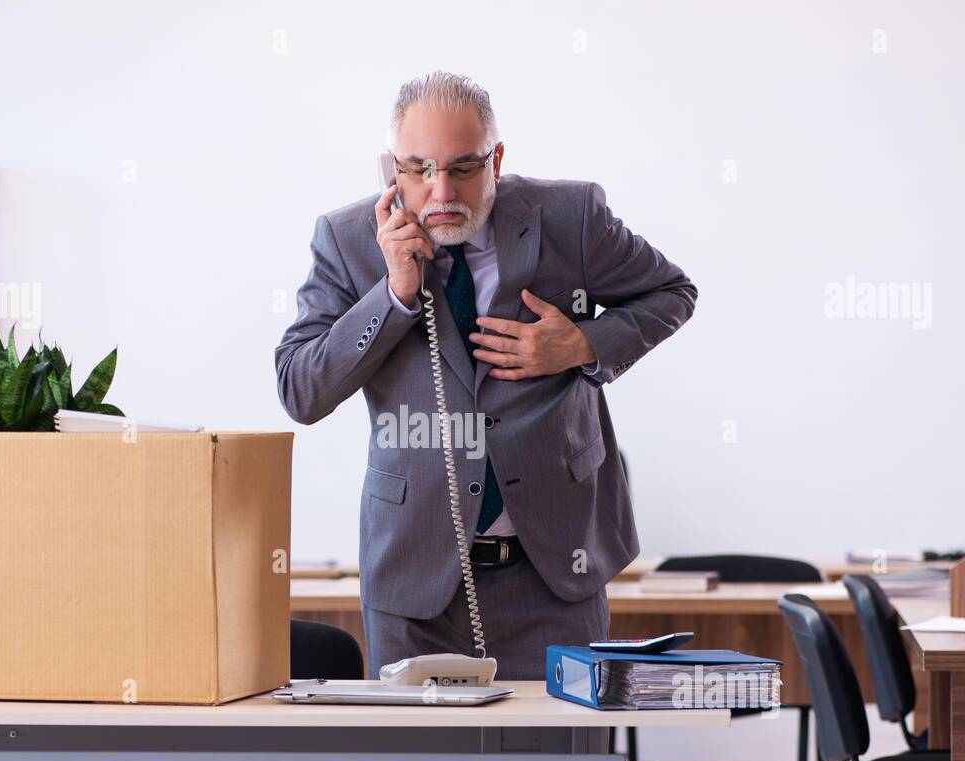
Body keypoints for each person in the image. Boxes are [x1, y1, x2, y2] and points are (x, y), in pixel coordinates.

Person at [276, 71, 697, 678]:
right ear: (390, 168)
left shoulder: (570, 217)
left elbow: (671, 291)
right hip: (415, 580)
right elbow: (300, 388)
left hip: (553, 573)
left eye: (463, 167)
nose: (440, 190)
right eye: (417, 168)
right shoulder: (347, 242)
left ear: (496, 159)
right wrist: (392, 295)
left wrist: (581, 343)